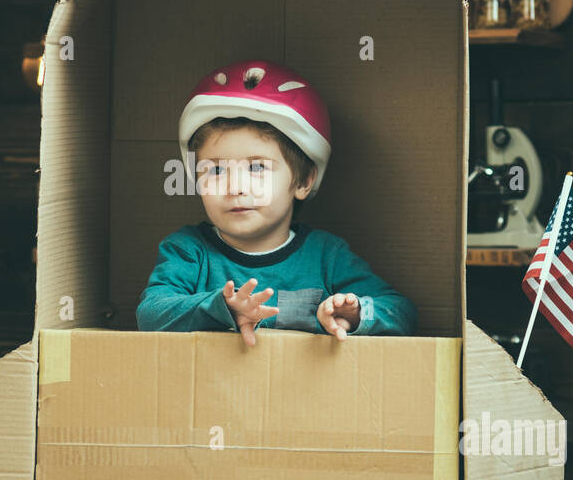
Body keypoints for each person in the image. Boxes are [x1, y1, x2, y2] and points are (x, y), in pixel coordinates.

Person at [136, 59, 418, 346]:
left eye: (257, 168)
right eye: (216, 170)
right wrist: (222, 310)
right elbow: (151, 314)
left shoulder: (326, 257)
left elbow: (401, 312)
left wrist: (356, 315)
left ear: (303, 181)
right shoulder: (189, 251)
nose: (236, 187)